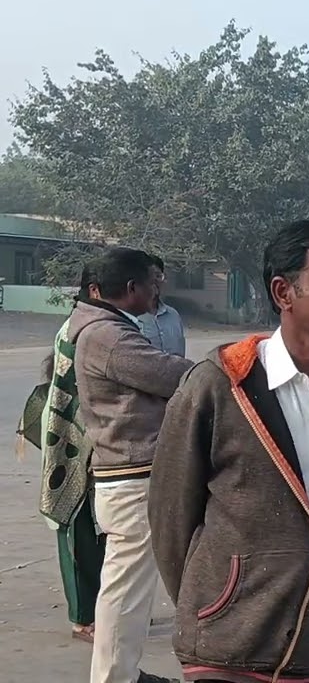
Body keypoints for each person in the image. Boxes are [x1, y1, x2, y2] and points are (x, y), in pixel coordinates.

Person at [150, 220, 309, 683]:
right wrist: (217, 601)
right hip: (228, 645)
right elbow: (169, 514)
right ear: (284, 293)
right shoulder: (221, 383)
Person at [66, 248, 194, 683]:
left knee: (128, 585)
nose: (155, 291)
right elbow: (167, 374)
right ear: (131, 288)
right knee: (127, 590)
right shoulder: (108, 335)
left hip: (132, 471)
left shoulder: (107, 327)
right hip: (132, 474)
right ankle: (114, 677)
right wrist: (223, 369)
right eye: (150, 284)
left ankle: (120, 673)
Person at [15, 265, 109, 645]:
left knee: (104, 535)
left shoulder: (105, 326)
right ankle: (83, 617)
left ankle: (101, 609)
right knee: (79, 532)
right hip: (72, 447)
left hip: (100, 446)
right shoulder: (79, 330)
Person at [136, 256, 187, 357]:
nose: (154, 282)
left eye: (158, 276)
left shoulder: (173, 315)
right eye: (148, 277)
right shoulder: (130, 317)